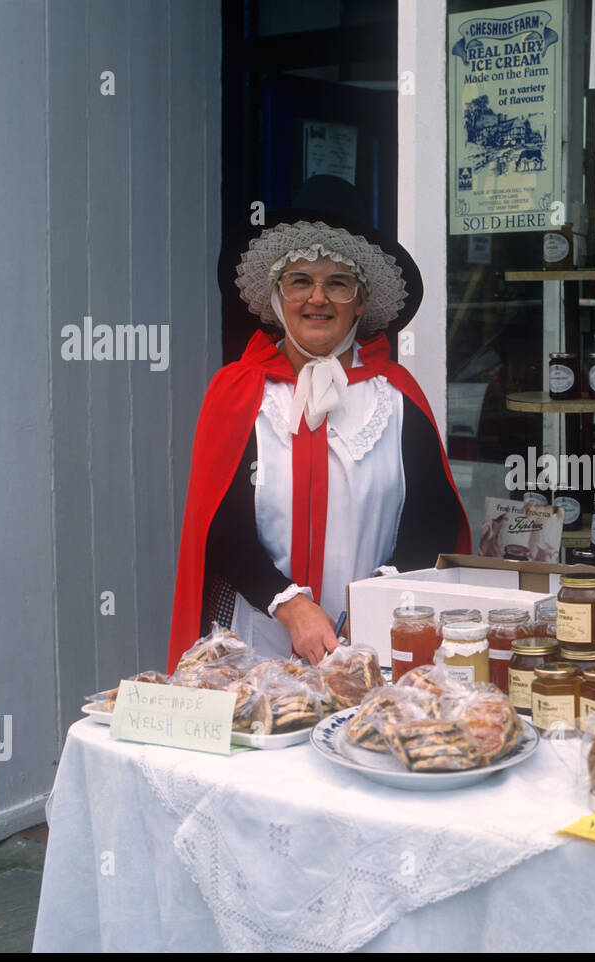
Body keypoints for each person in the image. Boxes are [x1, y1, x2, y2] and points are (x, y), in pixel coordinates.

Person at [168, 178, 470, 669]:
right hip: (259, 643)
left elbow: (431, 520)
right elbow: (221, 526)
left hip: (374, 639)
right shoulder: (238, 391)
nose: (317, 299)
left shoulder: (396, 398)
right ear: (276, 295)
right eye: (300, 281)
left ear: (362, 299)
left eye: (338, 283)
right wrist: (291, 606)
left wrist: (373, 604)